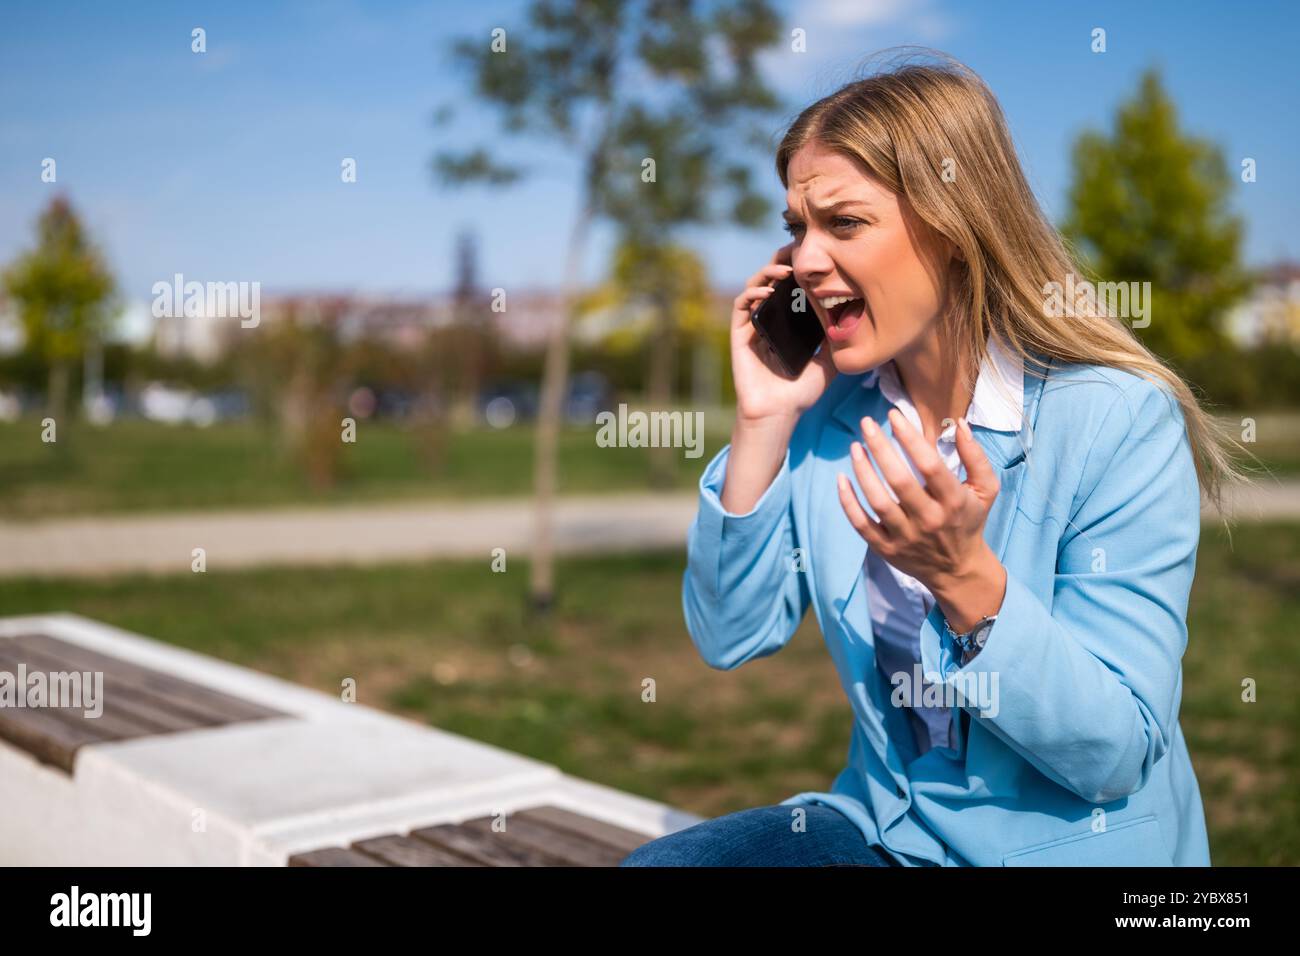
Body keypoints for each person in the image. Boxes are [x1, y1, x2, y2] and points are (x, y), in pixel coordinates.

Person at [621, 50, 1237, 868]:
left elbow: (1114, 752)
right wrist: (763, 419)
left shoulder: (1116, 420)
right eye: (796, 228)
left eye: (843, 223)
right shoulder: (830, 415)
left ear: (953, 229)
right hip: (888, 833)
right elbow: (730, 635)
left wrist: (963, 582)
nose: (804, 258)